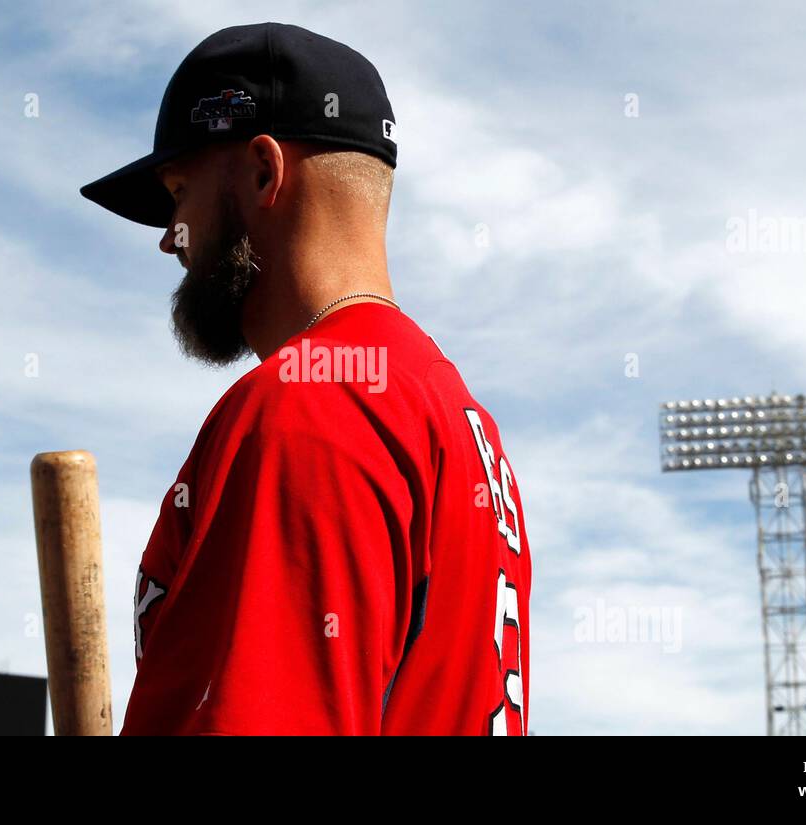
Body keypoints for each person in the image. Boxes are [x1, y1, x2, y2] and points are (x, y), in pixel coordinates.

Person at [82, 22, 532, 735]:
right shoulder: (455, 416)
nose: (170, 236)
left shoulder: (306, 407)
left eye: (177, 193)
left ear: (264, 172)